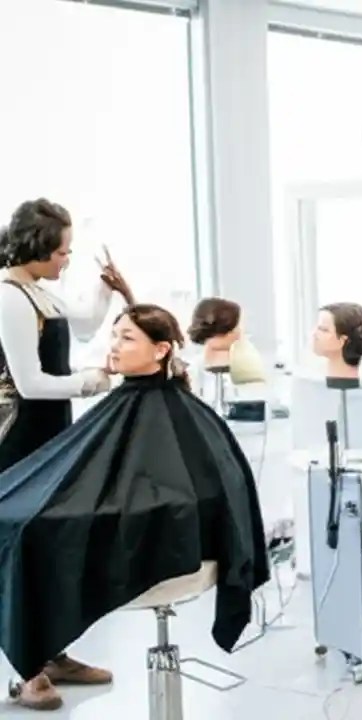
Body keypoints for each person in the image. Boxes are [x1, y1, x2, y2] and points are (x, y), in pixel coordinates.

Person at [0, 305, 268, 711]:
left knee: (31, 535)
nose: (114, 346)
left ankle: (35, 664)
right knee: (23, 526)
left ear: (161, 350)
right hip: (144, 520)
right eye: (115, 335)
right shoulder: (127, 407)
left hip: (174, 549)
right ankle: (46, 655)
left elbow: (176, 495)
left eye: (127, 338)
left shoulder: (180, 416)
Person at [0, 199, 134, 707]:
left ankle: (51, 651)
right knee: (22, 551)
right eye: (61, 252)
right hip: (18, 435)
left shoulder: (39, 291)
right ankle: (27, 670)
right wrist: (91, 382)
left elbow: (81, 324)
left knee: (52, 543)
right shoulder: (9, 297)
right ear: (35, 248)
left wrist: (106, 287)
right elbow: (30, 384)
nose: (66, 261)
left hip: (50, 430)